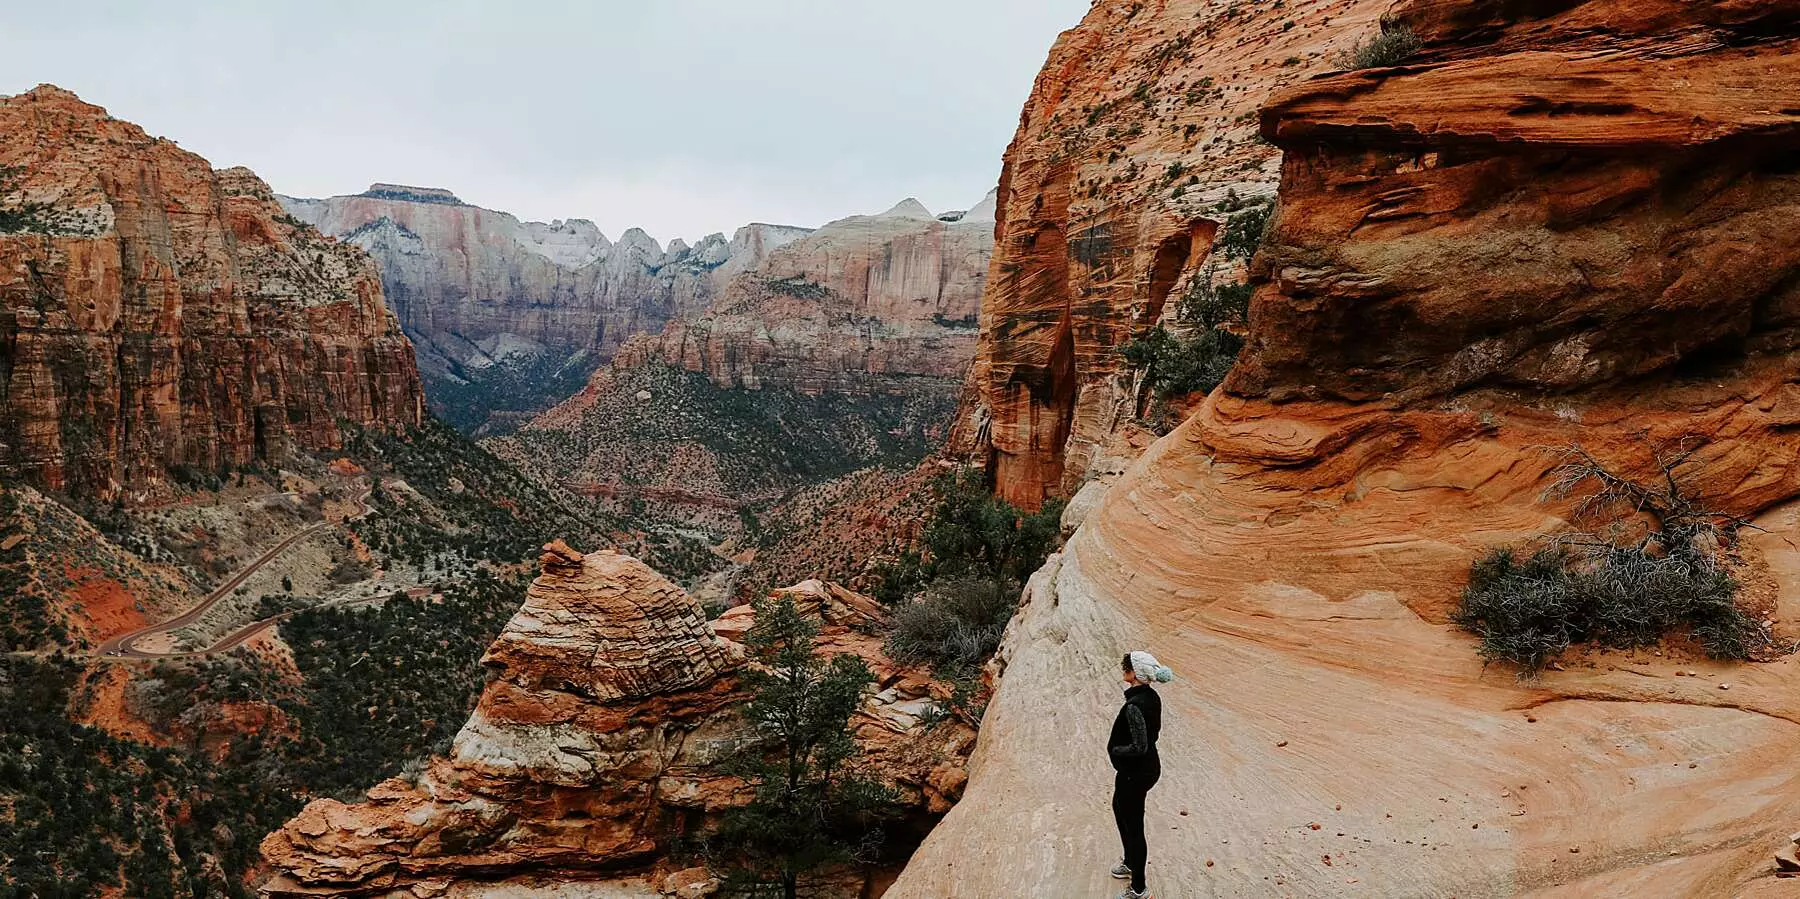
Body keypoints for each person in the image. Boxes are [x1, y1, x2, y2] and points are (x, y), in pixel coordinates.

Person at [1108, 650, 1173, 899]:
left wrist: (1115, 749)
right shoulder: (1151, 696)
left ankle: (1138, 887)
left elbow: (1139, 746)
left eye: (1127, 666)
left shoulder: (1136, 705)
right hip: (1141, 769)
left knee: (1133, 824)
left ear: (1134, 673)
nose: (1123, 669)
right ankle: (1129, 861)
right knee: (1119, 808)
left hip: (1136, 772)